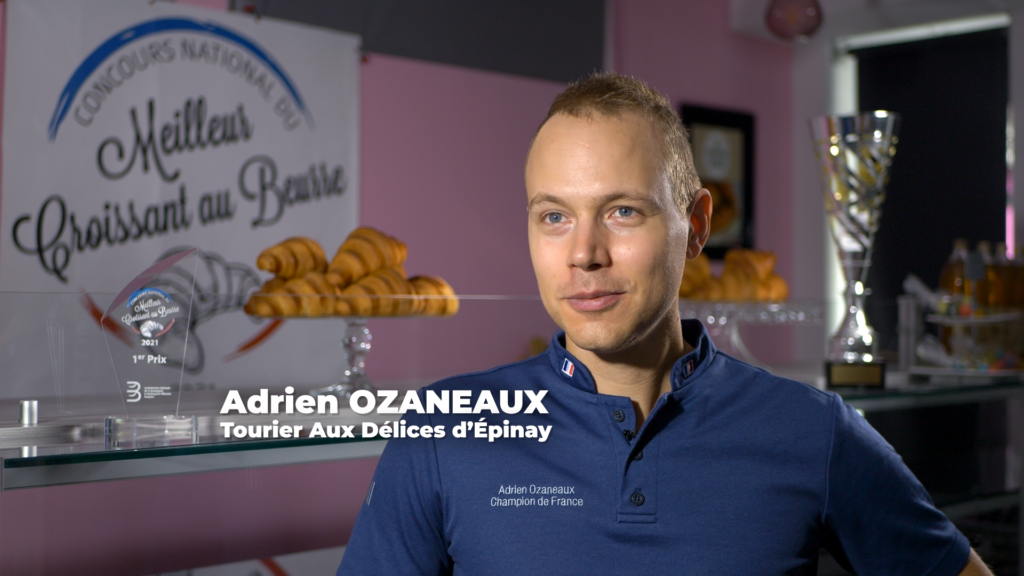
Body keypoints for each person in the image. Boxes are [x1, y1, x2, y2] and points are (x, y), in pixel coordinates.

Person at [338, 72, 992, 575]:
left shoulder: (814, 434)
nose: (584, 254)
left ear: (696, 226)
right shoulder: (443, 429)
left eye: (622, 211)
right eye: (554, 216)